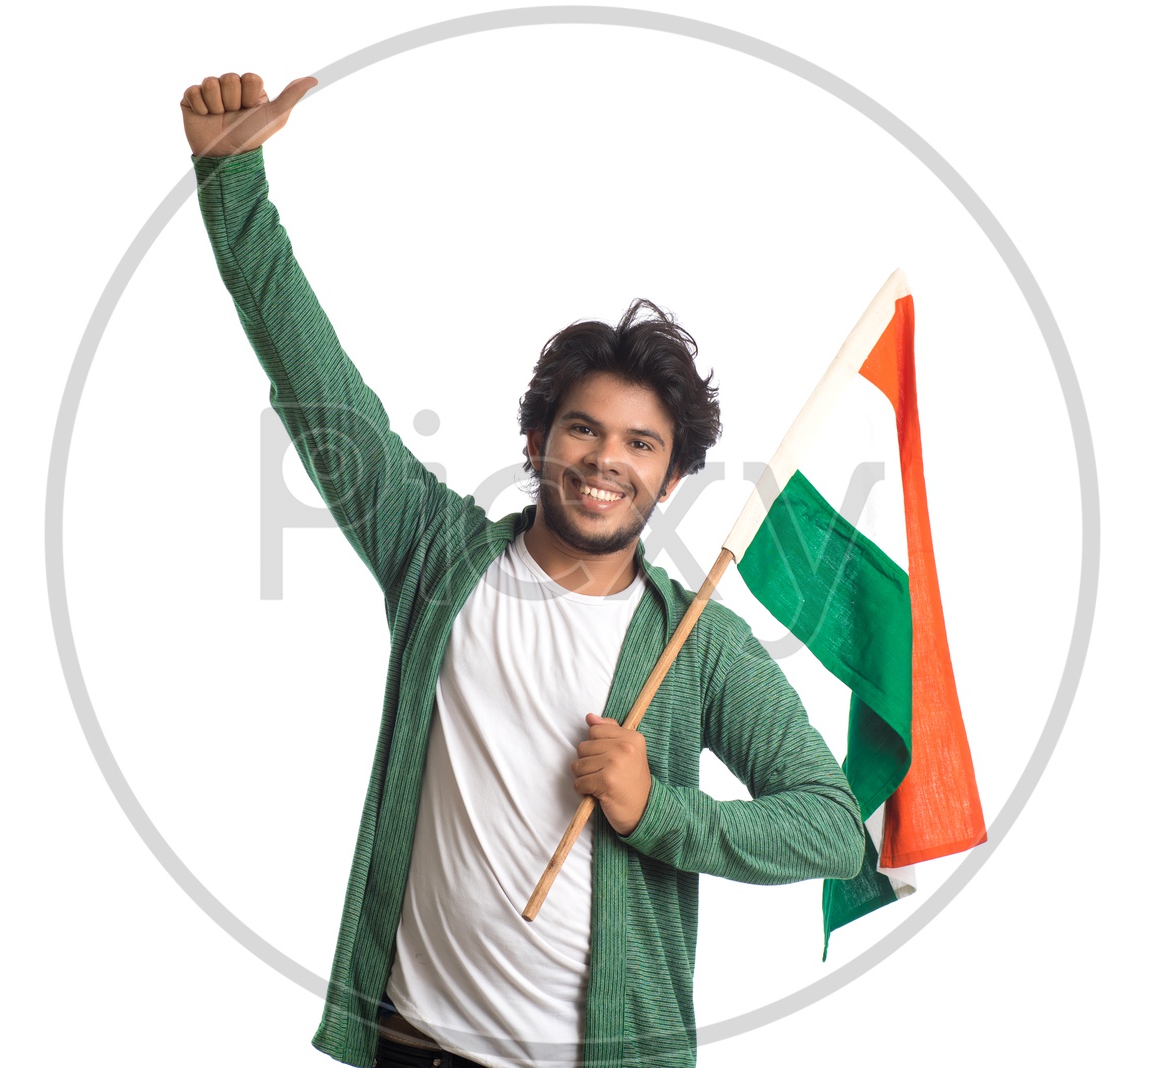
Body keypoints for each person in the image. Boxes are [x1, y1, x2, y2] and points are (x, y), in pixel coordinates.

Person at [182, 71, 866, 1068]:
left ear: (669, 479)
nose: (604, 460)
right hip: (410, 1043)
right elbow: (310, 375)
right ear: (540, 438)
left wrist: (657, 810)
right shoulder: (436, 559)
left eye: (639, 444)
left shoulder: (698, 647)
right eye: (583, 428)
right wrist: (230, 180)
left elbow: (831, 830)